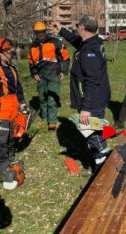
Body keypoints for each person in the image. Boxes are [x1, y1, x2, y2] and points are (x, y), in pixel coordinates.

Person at [49, 16, 111, 168]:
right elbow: (78, 42)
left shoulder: (89, 51)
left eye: (78, 26)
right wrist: (61, 31)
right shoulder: (92, 42)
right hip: (97, 98)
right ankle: (100, 160)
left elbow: (91, 81)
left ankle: (102, 166)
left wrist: (86, 109)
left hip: (92, 101)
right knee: (95, 131)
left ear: (82, 27)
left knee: (91, 133)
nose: (77, 28)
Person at [0, 38, 29, 177]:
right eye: (6, 51)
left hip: (13, 110)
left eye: (9, 50)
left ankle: (10, 160)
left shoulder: (12, 69)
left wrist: (22, 103)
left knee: (11, 138)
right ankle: (2, 166)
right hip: (0, 113)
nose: (10, 53)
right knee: (1, 140)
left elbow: (18, 88)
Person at [27, 21, 67, 130]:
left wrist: (63, 70)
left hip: (54, 73)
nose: (40, 34)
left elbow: (65, 57)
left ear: (45, 31)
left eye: (42, 32)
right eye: (38, 32)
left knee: (52, 98)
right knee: (42, 97)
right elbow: (31, 61)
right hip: (40, 75)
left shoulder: (55, 42)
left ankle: (52, 121)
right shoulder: (33, 46)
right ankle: (44, 115)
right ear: (35, 33)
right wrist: (34, 72)